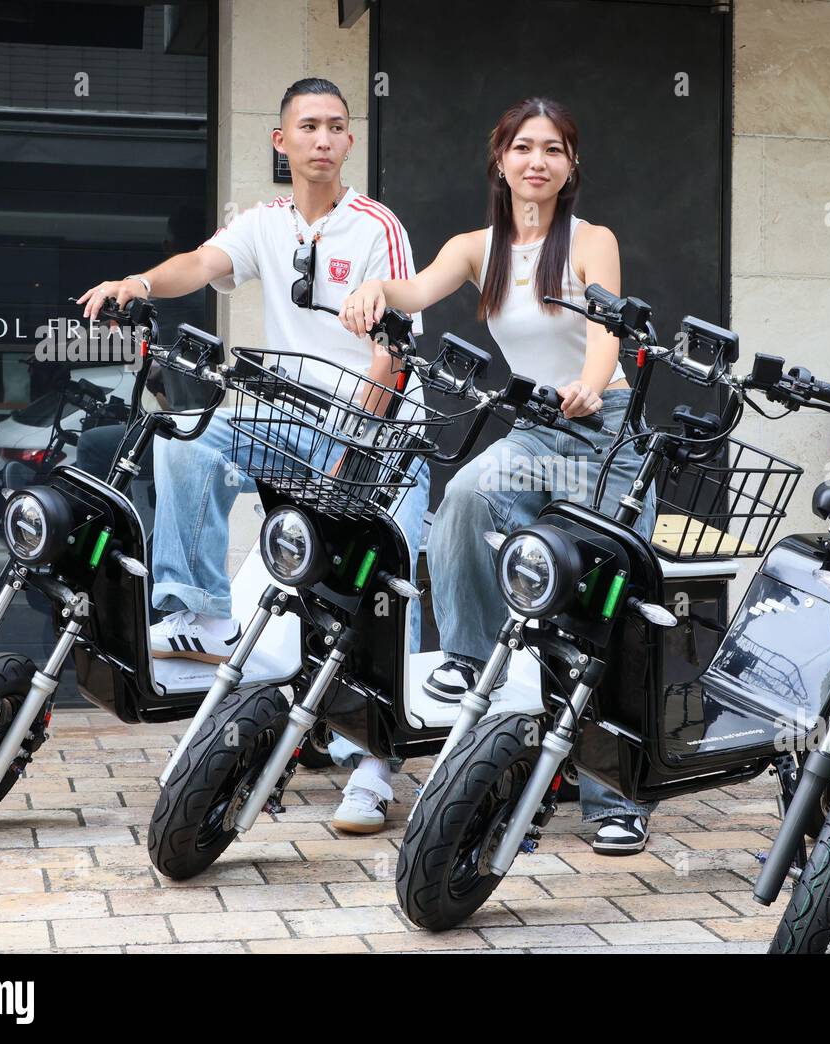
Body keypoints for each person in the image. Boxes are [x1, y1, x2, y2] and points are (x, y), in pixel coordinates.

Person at [77, 77, 424, 835]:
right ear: (282, 141)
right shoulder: (266, 223)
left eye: (337, 126)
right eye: (309, 126)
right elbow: (199, 265)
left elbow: (389, 358)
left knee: (382, 592)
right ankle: (200, 613)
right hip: (291, 420)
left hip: (378, 435)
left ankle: (375, 767)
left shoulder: (376, 227)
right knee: (186, 439)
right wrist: (136, 282)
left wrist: (351, 458)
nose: (324, 139)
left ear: (349, 142)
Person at [339, 97, 659, 855]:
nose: (537, 161)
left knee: (603, 604)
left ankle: (611, 796)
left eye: (553, 149)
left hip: (606, 434)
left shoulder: (592, 241)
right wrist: (375, 292)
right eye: (523, 147)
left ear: (570, 165)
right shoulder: (475, 248)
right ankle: (467, 660)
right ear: (501, 160)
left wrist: (590, 381)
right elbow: (414, 291)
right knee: (467, 499)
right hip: (540, 430)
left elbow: (610, 331)